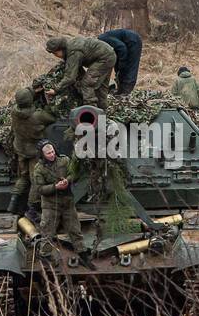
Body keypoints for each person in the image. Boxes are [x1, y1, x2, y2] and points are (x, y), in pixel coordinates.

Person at [8, 88, 57, 218]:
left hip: (20, 148)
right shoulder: (38, 116)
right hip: (34, 151)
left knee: (23, 177)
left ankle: (13, 201)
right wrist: (50, 100)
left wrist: (33, 91)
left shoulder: (14, 111)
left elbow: (23, 101)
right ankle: (32, 207)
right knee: (35, 179)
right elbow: (52, 117)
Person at [32, 140, 84, 253]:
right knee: (47, 233)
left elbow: (73, 173)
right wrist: (55, 187)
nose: (51, 155)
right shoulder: (39, 168)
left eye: (52, 152)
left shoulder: (64, 160)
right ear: (43, 155)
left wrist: (67, 180)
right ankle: (45, 254)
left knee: (75, 230)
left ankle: (82, 252)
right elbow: (39, 189)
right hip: (50, 205)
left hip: (67, 202)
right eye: (48, 153)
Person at [44, 35, 117, 108]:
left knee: (86, 83)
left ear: (61, 49)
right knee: (101, 88)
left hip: (104, 58)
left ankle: (90, 111)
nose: (55, 56)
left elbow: (70, 77)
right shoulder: (71, 47)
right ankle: (102, 115)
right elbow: (78, 72)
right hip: (110, 55)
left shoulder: (73, 52)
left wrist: (55, 90)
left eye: (55, 53)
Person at [97, 28, 143, 94]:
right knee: (122, 67)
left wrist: (121, 65)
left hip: (132, 40)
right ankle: (121, 89)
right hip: (127, 41)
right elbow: (117, 52)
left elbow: (122, 48)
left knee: (131, 67)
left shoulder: (103, 39)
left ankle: (126, 91)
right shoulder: (102, 42)